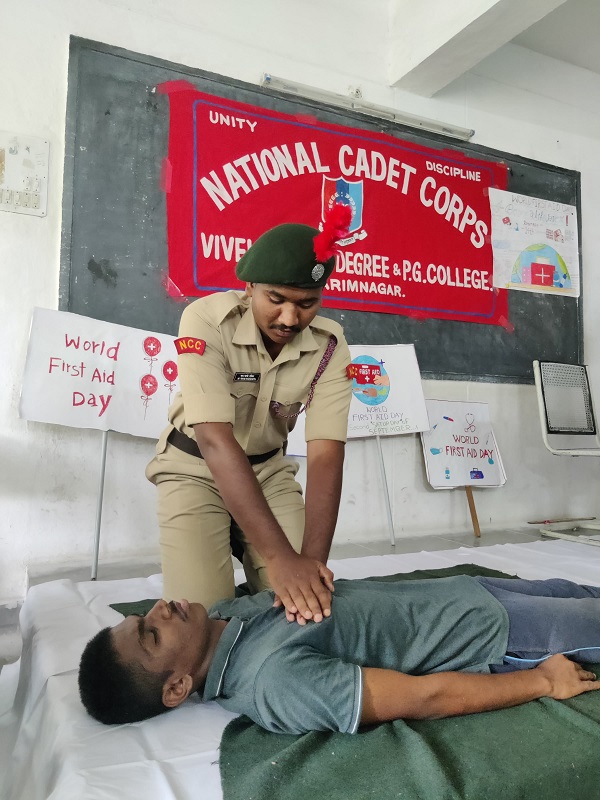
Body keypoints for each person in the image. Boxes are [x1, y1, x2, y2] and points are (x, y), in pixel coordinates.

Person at [146, 205, 353, 624]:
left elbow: (326, 456)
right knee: (201, 621)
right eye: (276, 299)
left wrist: (309, 566)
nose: (290, 318)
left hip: (268, 473)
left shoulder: (330, 346)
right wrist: (280, 558)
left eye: (307, 303)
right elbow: (213, 439)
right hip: (194, 467)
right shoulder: (206, 319)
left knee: (304, 612)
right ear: (250, 287)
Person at [78, 573, 600, 734]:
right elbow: (423, 697)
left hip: (468, 591)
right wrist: (542, 682)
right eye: (151, 634)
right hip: (497, 633)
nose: (160, 609)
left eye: (144, 614)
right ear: (176, 687)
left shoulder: (224, 615)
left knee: (581, 591)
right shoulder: (274, 682)